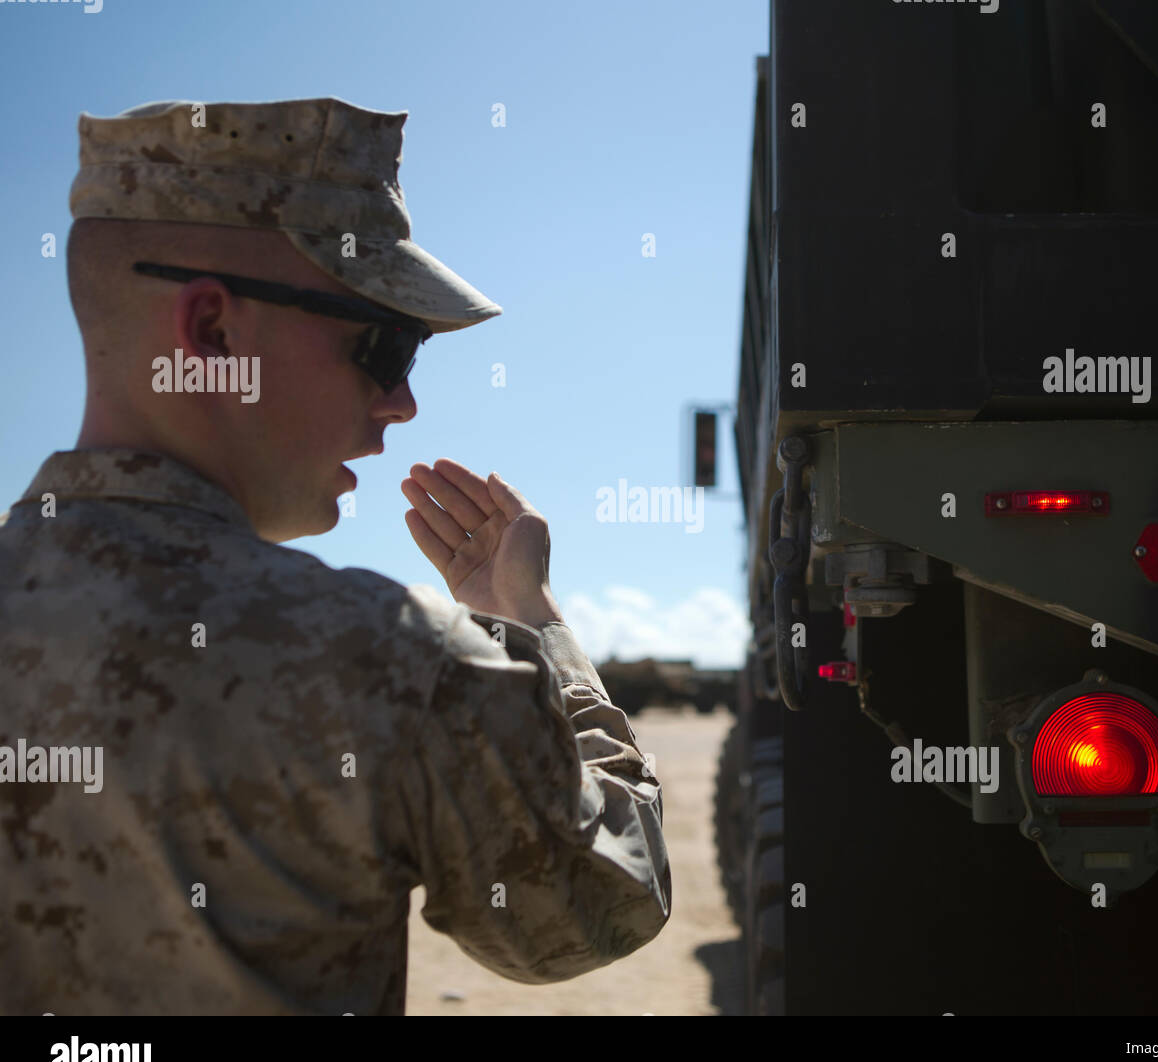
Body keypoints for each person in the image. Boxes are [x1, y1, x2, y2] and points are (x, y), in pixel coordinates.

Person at [0, 97, 670, 1015]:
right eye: (385, 345)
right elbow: (607, 903)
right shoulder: (395, 658)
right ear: (213, 337)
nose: (402, 406)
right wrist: (531, 624)